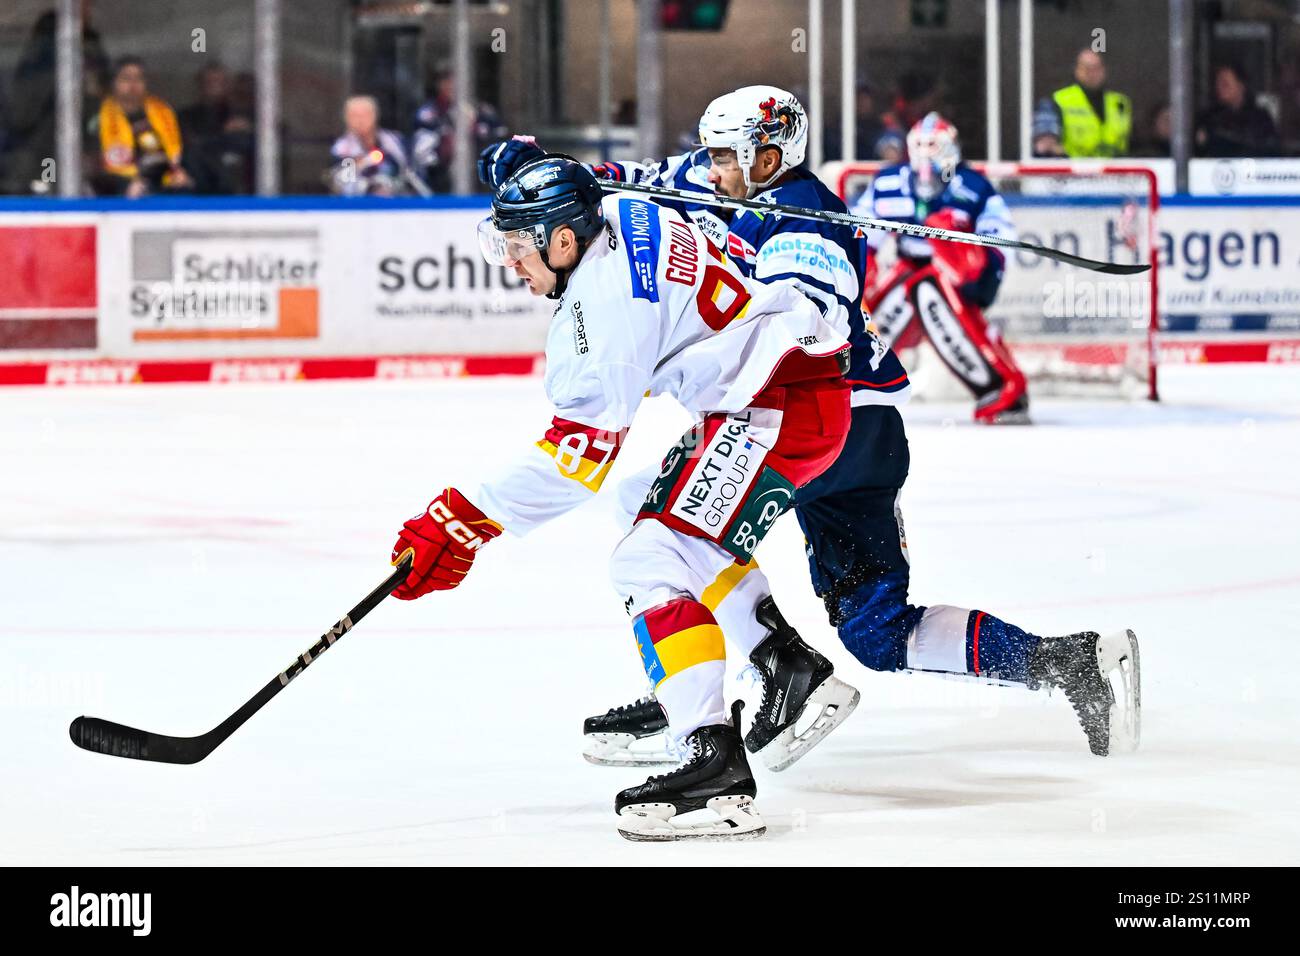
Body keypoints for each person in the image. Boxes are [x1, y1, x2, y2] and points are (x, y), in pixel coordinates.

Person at [479, 91, 1140, 773]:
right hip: (870, 435)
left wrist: (679, 362)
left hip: (819, 420)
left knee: (656, 522)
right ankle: (1069, 661)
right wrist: (545, 169)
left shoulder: (807, 226)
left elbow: (802, 323)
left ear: (768, 155)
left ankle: (757, 677)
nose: (710, 168)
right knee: (876, 631)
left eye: (725, 157)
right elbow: (636, 184)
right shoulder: (726, 179)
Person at [389, 155, 852, 841]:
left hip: (780, 407)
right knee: (647, 507)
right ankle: (782, 663)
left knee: (648, 558)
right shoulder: (623, 209)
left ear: (564, 241)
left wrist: (461, 519)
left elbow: (577, 459)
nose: (512, 264)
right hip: (784, 388)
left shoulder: (600, 310)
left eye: (520, 247)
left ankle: (713, 761)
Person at [856, 112, 1030, 425]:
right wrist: (861, 265)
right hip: (909, 270)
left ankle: (1001, 386)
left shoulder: (973, 186)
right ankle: (856, 385)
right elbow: (861, 231)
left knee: (931, 290)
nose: (925, 153)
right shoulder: (889, 182)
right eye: (919, 145)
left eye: (933, 145)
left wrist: (980, 263)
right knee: (868, 317)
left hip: (954, 282)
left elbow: (1001, 236)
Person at [89, 57, 191, 198]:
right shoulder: (98, 118)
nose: (133, 84)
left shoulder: (164, 112)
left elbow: (184, 151)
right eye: (126, 78)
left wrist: (182, 173)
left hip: (167, 187)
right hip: (120, 190)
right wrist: (125, 185)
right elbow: (92, 167)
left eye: (139, 78)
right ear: (113, 83)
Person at [410, 70, 506, 193]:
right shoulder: (429, 113)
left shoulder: (483, 112)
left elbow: (500, 145)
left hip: (480, 183)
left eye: (456, 81)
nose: (451, 85)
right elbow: (422, 155)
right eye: (446, 81)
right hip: (440, 186)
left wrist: (474, 130)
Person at [1033, 49, 1132, 158]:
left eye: (1097, 68)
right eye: (1087, 68)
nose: (1093, 73)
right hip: (1075, 172)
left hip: (1116, 172)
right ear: (1077, 70)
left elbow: (1132, 143)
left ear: (1104, 70)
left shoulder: (1121, 103)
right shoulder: (1058, 101)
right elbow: (1044, 146)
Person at [178, 63, 254, 195]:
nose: (214, 86)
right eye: (209, 82)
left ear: (228, 85)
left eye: (219, 82)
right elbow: (190, 145)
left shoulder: (243, 114)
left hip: (240, 188)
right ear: (200, 85)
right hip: (201, 188)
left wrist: (250, 129)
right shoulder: (187, 116)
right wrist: (222, 134)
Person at [328, 95, 412, 196]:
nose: (360, 120)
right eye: (354, 115)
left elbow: (408, 173)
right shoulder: (341, 149)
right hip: (357, 205)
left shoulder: (394, 141)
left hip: (396, 204)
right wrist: (362, 163)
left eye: (365, 115)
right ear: (346, 119)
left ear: (375, 115)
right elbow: (344, 185)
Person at [1196, 63, 1280, 158]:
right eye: (1217, 84)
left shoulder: (1260, 118)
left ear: (1241, 85)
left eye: (1225, 84)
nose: (1219, 88)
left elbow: (1269, 149)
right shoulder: (1209, 117)